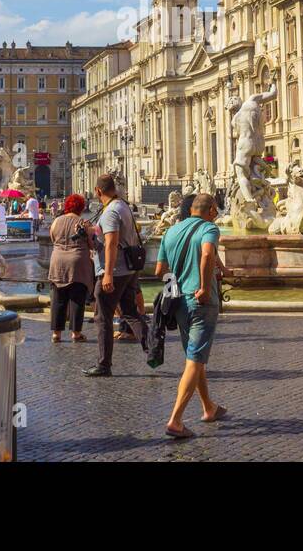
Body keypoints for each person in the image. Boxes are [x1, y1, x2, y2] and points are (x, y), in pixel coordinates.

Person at [156, 194, 229, 438]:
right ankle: (175, 420)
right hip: (200, 303)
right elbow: (207, 254)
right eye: (215, 210)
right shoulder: (210, 228)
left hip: (179, 304)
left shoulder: (171, 231)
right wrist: (205, 289)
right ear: (208, 210)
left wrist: (173, 292)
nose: (216, 215)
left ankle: (209, 407)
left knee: (194, 357)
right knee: (195, 360)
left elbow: (160, 271)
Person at [83, 173, 146, 378]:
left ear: (98, 191)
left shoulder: (110, 211)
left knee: (102, 317)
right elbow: (106, 234)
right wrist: (90, 230)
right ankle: (153, 346)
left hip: (115, 270)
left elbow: (111, 242)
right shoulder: (123, 206)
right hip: (128, 269)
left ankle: (104, 364)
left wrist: (107, 274)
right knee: (130, 311)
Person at [47, 193, 95, 343]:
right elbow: (92, 245)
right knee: (77, 298)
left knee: (58, 298)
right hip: (77, 263)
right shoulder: (83, 223)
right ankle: (76, 333)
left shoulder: (56, 221)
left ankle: (56, 333)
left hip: (58, 261)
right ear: (81, 207)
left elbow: (52, 238)